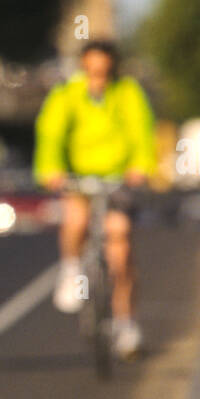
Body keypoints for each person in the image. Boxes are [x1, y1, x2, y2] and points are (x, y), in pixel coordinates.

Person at [34, 39, 156, 358]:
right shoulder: (67, 95)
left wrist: (140, 167)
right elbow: (51, 134)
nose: (98, 78)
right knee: (76, 220)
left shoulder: (127, 92)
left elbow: (141, 132)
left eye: (104, 71)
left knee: (120, 243)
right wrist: (52, 170)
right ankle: (72, 269)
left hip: (116, 179)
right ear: (83, 68)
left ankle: (126, 322)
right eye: (92, 71)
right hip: (80, 178)